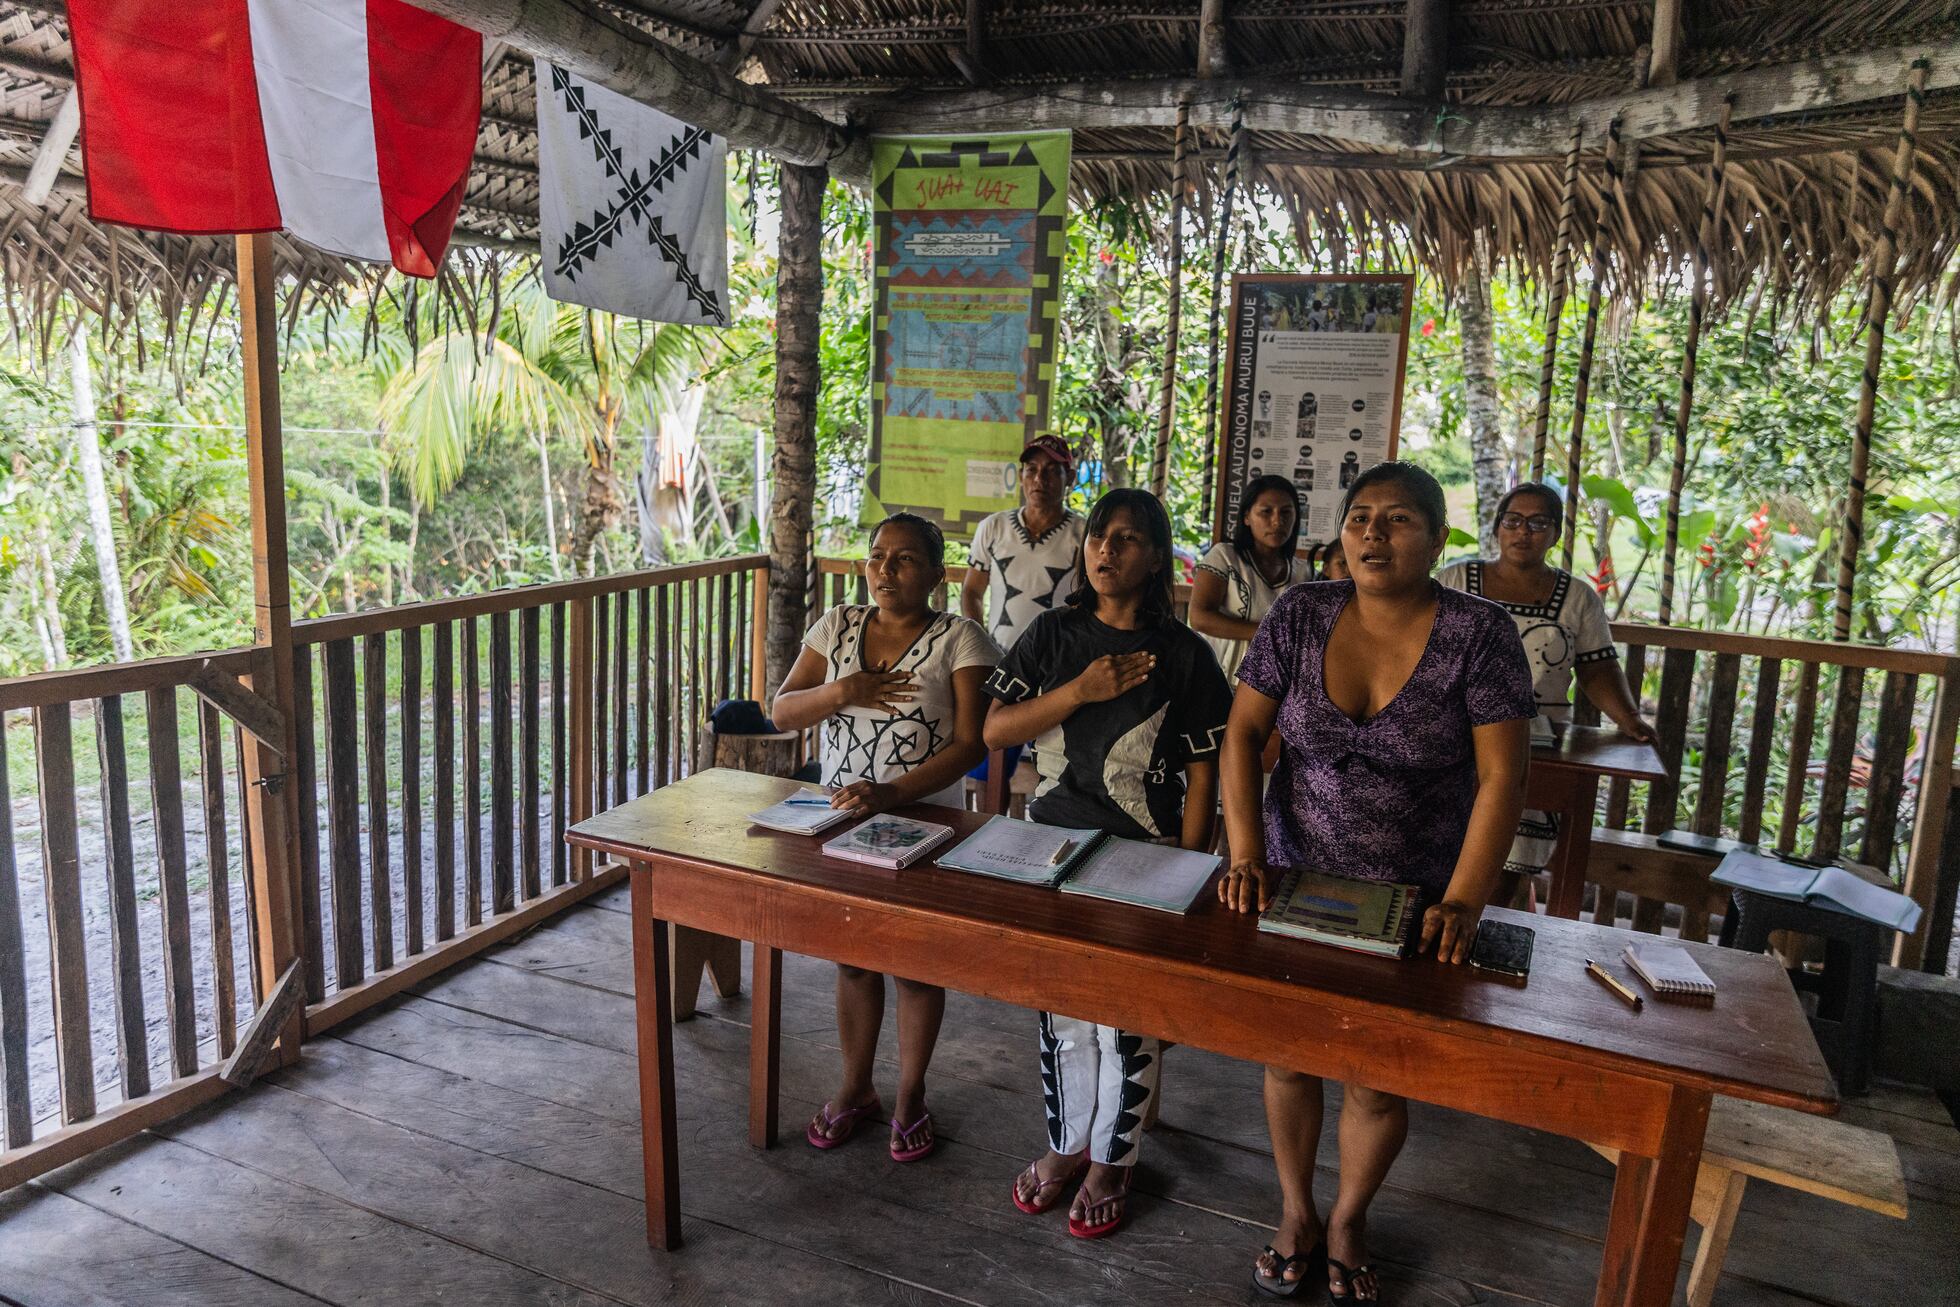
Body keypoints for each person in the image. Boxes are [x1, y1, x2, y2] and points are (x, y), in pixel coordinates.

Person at [1215, 462, 1535, 1302]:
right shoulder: (1298, 613)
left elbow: (1503, 777)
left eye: (1397, 520)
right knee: (1288, 1059)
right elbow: (1243, 736)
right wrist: (1245, 852)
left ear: (1435, 538)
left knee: (1375, 1074)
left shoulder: (1479, 633)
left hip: (1415, 899)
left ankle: (1350, 1216)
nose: (1372, 534)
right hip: (1291, 878)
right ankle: (1296, 1211)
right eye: (1360, 518)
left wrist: (1464, 899)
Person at [983, 487, 1233, 1240]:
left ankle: (1111, 1160)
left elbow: (1204, 771)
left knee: (1125, 1021)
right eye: (1099, 536)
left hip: (1144, 855)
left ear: (1156, 556)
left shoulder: (1183, 653)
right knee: (1062, 1011)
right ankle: (1065, 1147)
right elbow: (997, 730)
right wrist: (1080, 691)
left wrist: (1189, 868)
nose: (1105, 550)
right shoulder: (1053, 635)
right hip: (1050, 843)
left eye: (1127, 539)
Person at [769, 513, 999, 1164]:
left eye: (903, 559)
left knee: (916, 968)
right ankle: (855, 1085)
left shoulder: (962, 638)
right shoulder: (838, 625)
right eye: (876, 556)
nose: (885, 569)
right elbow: (782, 709)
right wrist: (849, 689)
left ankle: (910, 1093)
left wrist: (893, 792)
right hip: (838, 818)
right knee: (852, 957)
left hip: (925, 826)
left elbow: (969, 744)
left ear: (935, 573)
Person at [1440, 482, 1656, 881]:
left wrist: (1629, 719)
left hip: (1537, 744)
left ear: (1556, 534)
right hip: (1450, 737)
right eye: (1513, 521)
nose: (1523, 532)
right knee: (1440, 846)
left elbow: (1597, 667)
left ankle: (1492, 926)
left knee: (1507, 861)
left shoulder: (1577, 598)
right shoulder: (1455, 580)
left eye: (1538, 523)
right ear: (1498, 528)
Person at [1190, 474, 1310, 679]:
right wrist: (1269, 632)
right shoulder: (1225, 556)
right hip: (1217, 677)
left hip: (1274, 684)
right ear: (1246, 517)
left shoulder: (1303, 572)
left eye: (1286, 512)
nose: (1277, 521)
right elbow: (1200, 617)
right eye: (1266, 512)